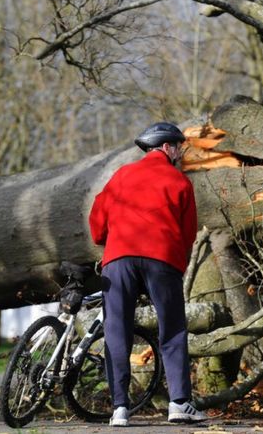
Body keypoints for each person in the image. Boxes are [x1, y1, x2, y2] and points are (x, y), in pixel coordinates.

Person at [89, 122, 207, 427]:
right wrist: (175, 264)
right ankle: (179, 403)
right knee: (172, 330)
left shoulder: (121, 176)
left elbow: (97, 224)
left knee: (116, 331)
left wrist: (110, 242)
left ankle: (119, 409)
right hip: (161, 260)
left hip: (119, 259)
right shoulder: (180, 182)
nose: (181, 152)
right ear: (166, 147)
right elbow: (188, 233)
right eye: (178, 146)